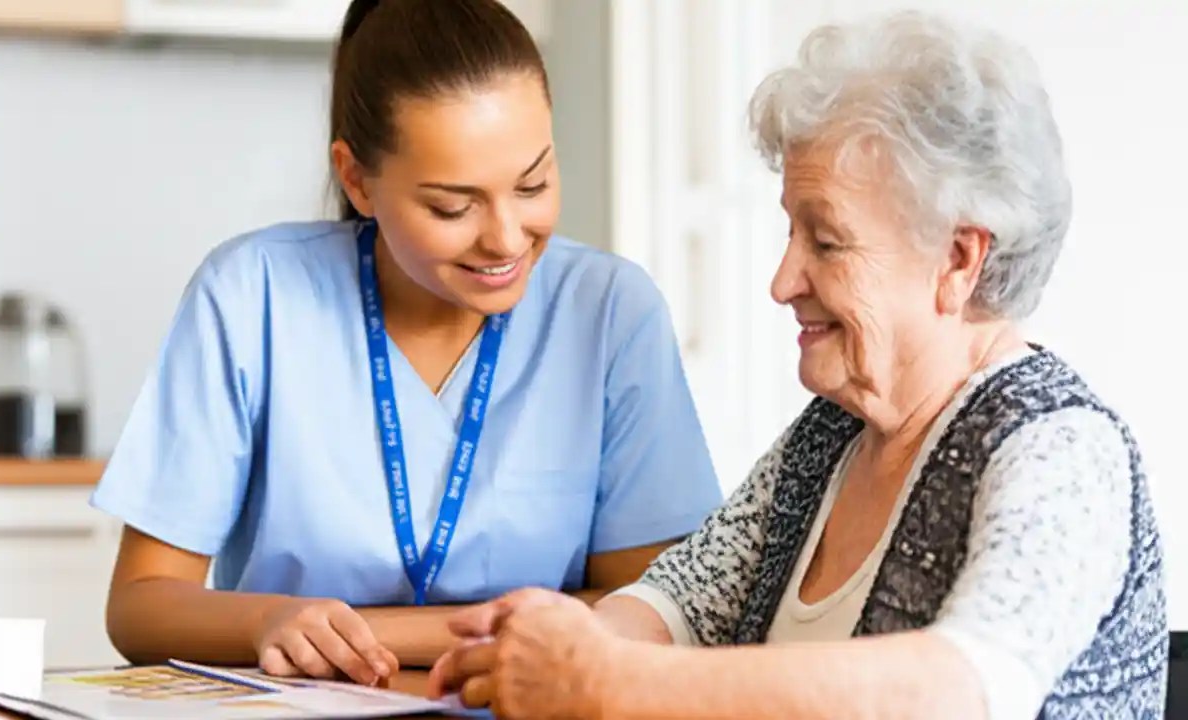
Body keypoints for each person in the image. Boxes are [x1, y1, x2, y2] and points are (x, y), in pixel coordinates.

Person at [431, 10, 1169, 719]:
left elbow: (966, 688)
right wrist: (566, 641)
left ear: (958, 258)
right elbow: (681, 602)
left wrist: (609, 680)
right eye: (792, 232)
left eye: (827, 241)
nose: (783, 282)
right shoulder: (834, 434)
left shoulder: (1061, 450)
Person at [89, 0, 722, 686]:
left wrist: (367, 633)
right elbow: (140, 604)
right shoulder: (251, 294)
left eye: (533, 183)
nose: (507, 237)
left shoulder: (609, 312)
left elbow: (655, 612)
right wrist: (265, 622)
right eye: (453, 206)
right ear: (357, 178)